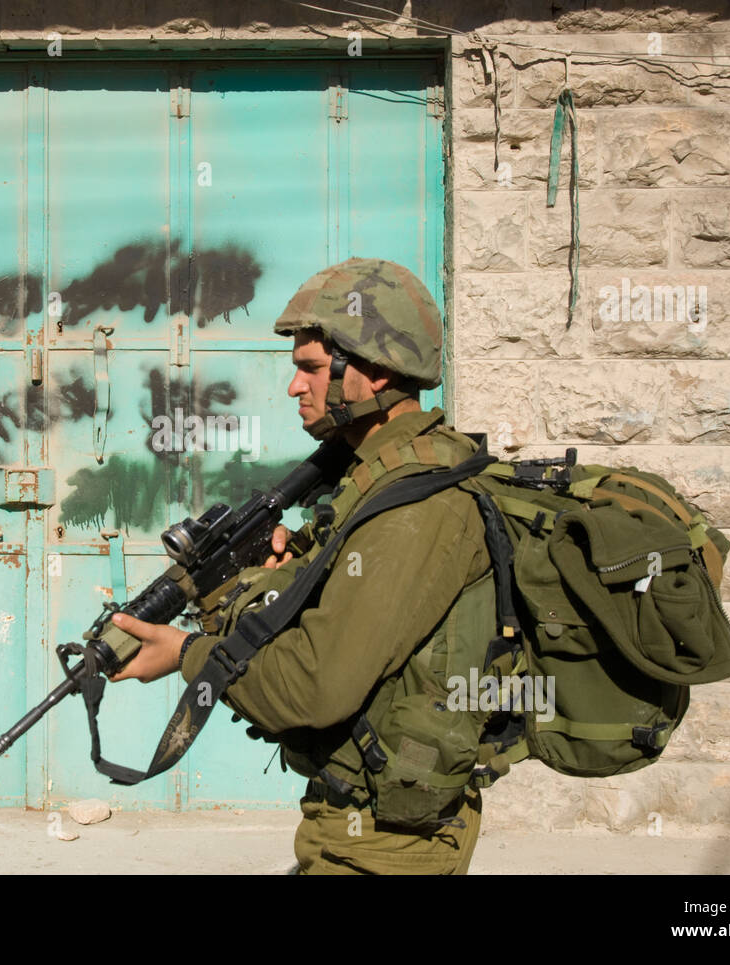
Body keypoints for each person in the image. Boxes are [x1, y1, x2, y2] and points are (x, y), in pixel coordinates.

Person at [110, 258, 495, 875]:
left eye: (312, 370)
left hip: (383, 842)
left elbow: (313, 689)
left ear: (374, 372)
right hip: (356, 822)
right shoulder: (376, 478)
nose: (295, 388)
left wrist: (185, 654)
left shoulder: (412, 506)